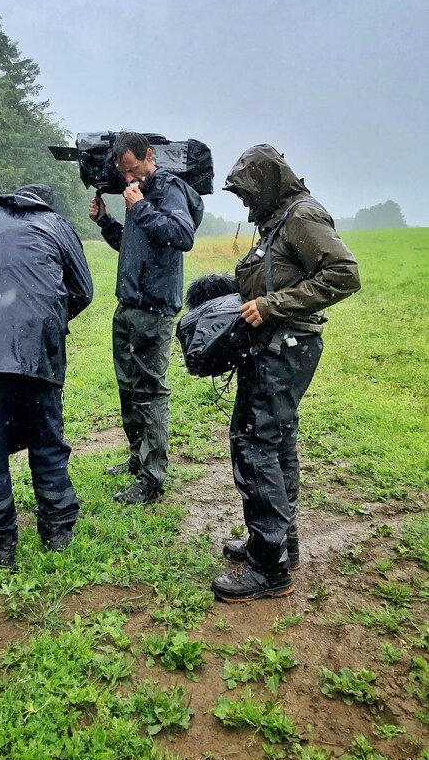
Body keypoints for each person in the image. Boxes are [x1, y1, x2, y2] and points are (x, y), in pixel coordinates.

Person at [212, 143, 361, 602]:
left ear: (269, 182)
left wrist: (273, 305)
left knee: (255, 443)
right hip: (277, 346)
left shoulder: (302, 216)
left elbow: (344, 273)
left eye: (247, 191)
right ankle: (279, 544)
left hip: (286, 346)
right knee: (275, 443)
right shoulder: (278, 218)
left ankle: (268, 569)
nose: (244, 201)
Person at [0, 184, 93, 569]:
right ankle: (57, 530)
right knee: (47, 438)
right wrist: (45, 319)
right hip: (39, 352)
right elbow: (84, 291)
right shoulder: (57, 224)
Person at [89, 132, 204, 504]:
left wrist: (139, 207)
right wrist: (106, 222)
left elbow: (183, 235)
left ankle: (152, 478)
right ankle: (139, 458)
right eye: (123, 172)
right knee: (129, 389)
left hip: (154, 309)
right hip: (128, 306)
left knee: (151, 392)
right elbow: (132, 245)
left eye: (132, 168)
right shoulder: (136, 193)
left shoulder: (169, 188)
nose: (128, 178)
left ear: (149, 155)